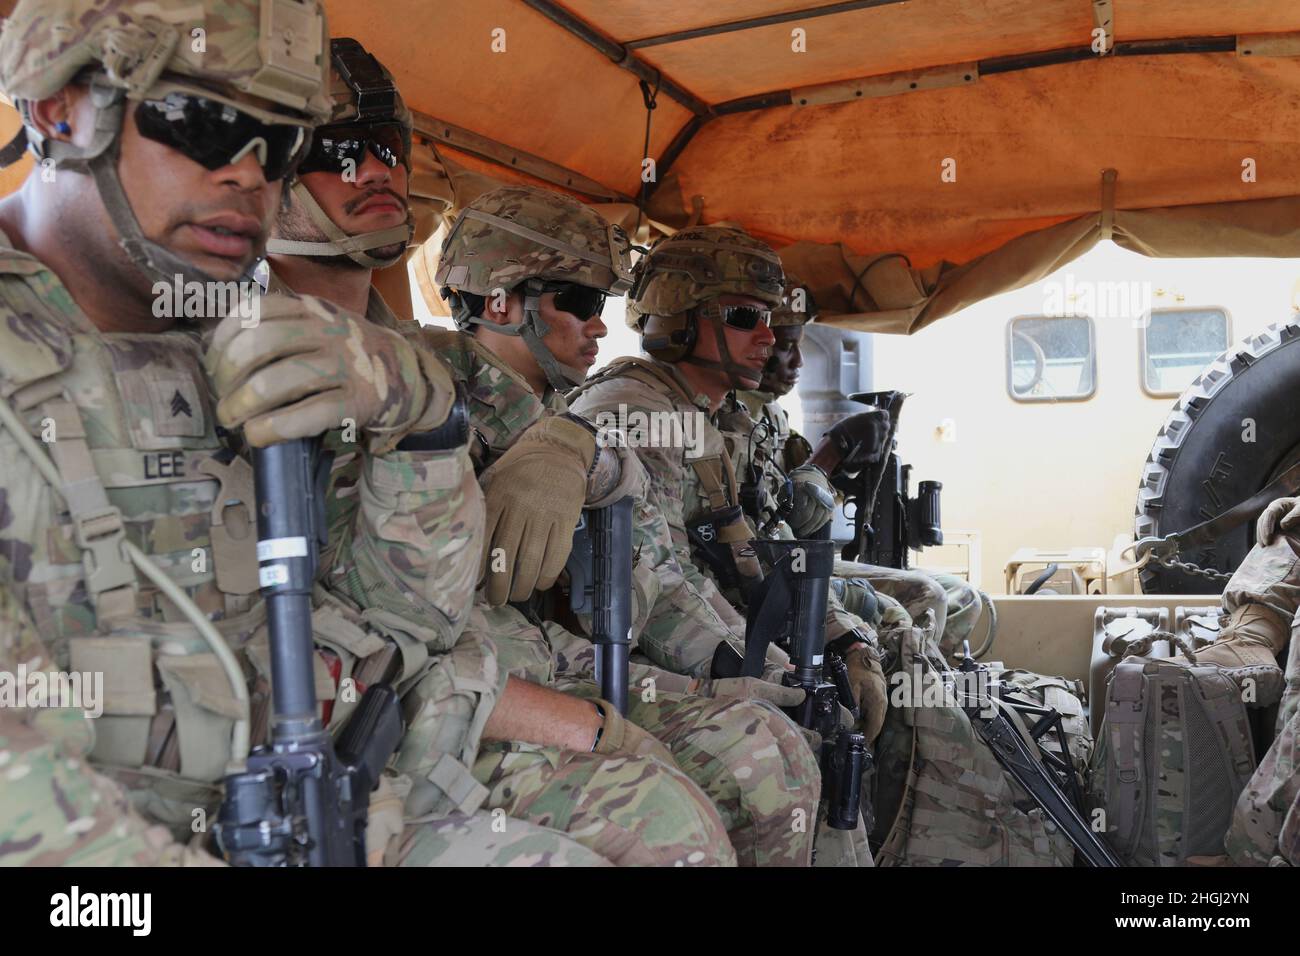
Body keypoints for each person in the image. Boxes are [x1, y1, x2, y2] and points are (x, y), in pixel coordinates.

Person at [0, 0, 610, 868]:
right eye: (207, 120)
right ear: (58, 107)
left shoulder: (241, 341)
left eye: (281, 146)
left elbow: (409, 626)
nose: (251, 178)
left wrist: (420, 414)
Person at [262, 46, 737, 866]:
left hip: (469, 689)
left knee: (756, 754)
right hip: (367, 739)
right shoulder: (246, 362)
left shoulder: (418, 366)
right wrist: (577, 721)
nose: (378, 169)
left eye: (391, 148)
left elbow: (609, 510)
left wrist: (574, 446)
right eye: (338, 150)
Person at [720, 274, 986, 658]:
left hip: (792, 556)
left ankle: (911, 684)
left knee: (965, 597)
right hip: (771, 567)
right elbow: (770, 524)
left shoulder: (771, 416)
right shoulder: (728, 419)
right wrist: (831, 451)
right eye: (787, 346)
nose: (797, 361)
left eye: (800, 346)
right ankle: (897, 693)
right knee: (929, 597)